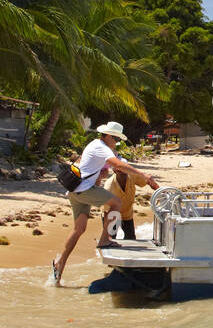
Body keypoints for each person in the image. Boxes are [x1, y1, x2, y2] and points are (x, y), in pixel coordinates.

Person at [52, 122, 158, 285]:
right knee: (116, 202)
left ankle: (60, 263)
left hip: (75, 191)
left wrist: (144, 178)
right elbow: (118, 164)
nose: (116, 142)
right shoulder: (100, 146)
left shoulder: (100, 147)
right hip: (84, 189)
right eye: (115, 138)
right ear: (108, 136)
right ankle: (104, 240)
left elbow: (119, 162)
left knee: (79, 229)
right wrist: (143, 174)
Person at [104, 171, 138, 240]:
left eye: (124, 169)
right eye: (120, 170)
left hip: (127, 213)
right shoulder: (109, 187)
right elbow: (106, 210)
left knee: (131, 238)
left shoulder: (132, 176)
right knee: (111, 238)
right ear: (115, 171)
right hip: (112, 214)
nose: (123, 172)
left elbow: (146, 180)